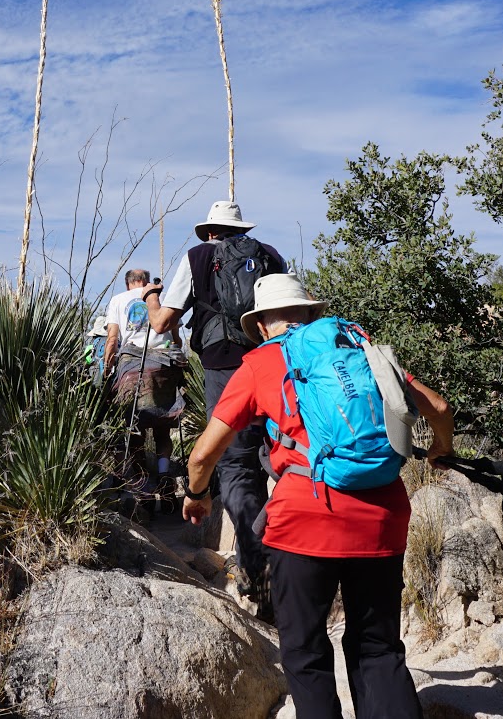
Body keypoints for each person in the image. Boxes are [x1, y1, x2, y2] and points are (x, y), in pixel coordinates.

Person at [182, 273, 454, 719]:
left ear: (262, 325)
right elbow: (439, 408)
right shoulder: (357, 346)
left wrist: (197, 495)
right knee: (378, 648)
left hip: (304, 522)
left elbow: (201, 456)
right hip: (381, 517)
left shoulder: (259, 363)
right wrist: (441, 449)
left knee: (305, 650)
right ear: (311, 313)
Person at [141, 200, 285, 609]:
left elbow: (162, 323)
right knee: (280, 457)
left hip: (224, 368)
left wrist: (152, 297)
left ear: (209, 231)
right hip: (274, 364)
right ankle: (292, 551)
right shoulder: (271, 255)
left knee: (237, 467)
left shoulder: (197, 256)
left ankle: (256, 571)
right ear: (241, 229)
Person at [104, 270, 183, 491]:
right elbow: (176, 337)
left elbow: (112, 339)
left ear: (127, 283)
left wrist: (108, 368)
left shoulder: (118, 300)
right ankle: (165, 473)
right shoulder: (160, 297)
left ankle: (141, 485)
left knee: (133, 428)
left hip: (132, 368)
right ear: (146, 282)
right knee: (163, 426)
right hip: (163, 365)